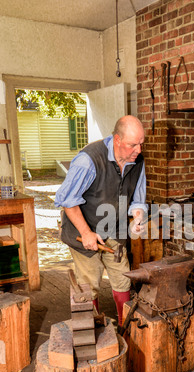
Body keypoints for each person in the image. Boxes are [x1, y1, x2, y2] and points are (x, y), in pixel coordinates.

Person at [54, 115, 147, 326]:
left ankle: (127, 332)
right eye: (133, 145)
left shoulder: (137, 162)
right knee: (89, 286)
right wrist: (86, 233)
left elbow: (138, 199)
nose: (139, 150)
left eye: (141, 143)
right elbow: (67, 200)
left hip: (115, 231)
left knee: (123, 280)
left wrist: (138, 217)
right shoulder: (89, 160)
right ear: (117, 140)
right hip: (84, 233)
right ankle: (92, 335)